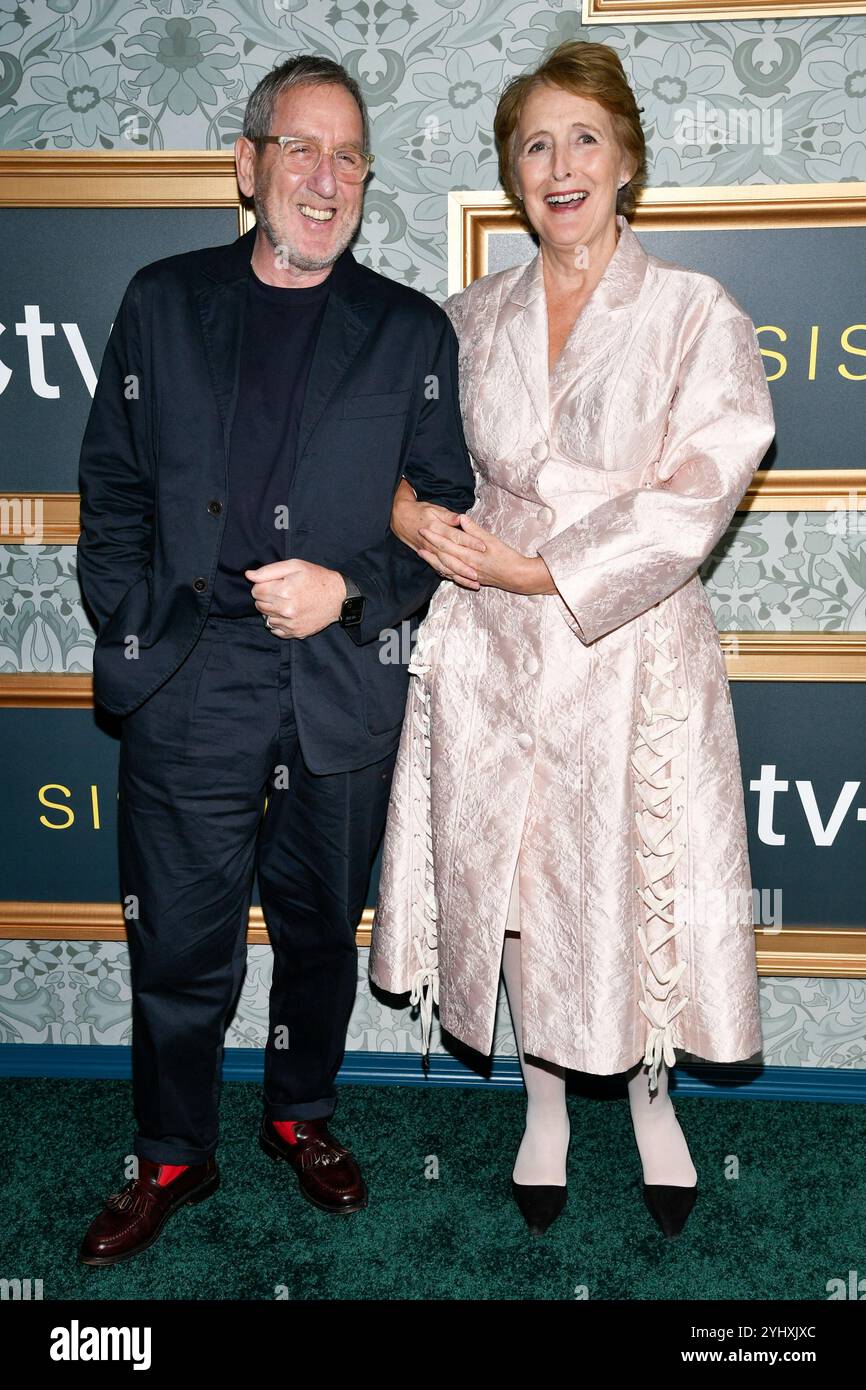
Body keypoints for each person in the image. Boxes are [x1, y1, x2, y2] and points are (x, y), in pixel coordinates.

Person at [370, 39, 775, 1239]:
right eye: (533, 144)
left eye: (581, 138)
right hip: (490, 640)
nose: (559, 164)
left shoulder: (692, 309)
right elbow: (393, 452)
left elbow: (702, 482)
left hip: (629, 640)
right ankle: (542, 1100)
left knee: (631, 867)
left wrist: (548, 567)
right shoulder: (463, 314)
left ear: (627, 159)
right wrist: (402, 511)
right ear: (510, 173)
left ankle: (651, 1093)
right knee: (517, 877)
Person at [76, 54, 475, 1266]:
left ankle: (300, 1115)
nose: (325, 174)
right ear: (247, 167)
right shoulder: (159, 301)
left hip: (338, 681)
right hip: (191, 680)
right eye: (299, 147)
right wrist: (138, 639)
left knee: (316, 933)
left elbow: (444, 506)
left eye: (348, 154)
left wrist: (351, 585)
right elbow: (112, 489)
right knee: (181, 939)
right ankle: (170, 1150)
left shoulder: (410, 330)